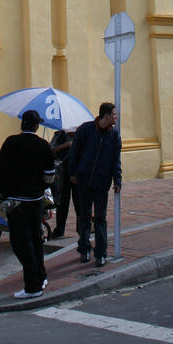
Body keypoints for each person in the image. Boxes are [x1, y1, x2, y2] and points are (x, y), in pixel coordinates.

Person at [0, 109, 56, 299]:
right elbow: (50, 177)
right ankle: (41, 276)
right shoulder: (43, 145)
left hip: (16, 202)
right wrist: (39, 185)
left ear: (22, 124)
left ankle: (33, 286)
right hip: (35, 201)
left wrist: (3, 193)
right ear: (36, 126)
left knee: (20, 242)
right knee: (36, 239)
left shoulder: (10, 143)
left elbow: (0, 173)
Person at [70, 102, 121, 267]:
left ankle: (101, 253)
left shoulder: (114, 135)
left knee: (100, 218)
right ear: (106, 116)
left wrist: (117, 180)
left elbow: (116, 161)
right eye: (114, 114)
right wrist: (73, 173)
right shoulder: (85, 130)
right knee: (84, 216)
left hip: (101, 182)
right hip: (84, 181)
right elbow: (75, 153)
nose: (116, 117)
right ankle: (84, 249)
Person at [50, 127, 78, 238]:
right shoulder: (59, 134)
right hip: (62, 173)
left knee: (79, 203)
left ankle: (81, 229)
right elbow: (51, 150)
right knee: (62, 203)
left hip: (77, 174)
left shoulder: (81, 134)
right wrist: (65, 145)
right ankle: (59, 229)